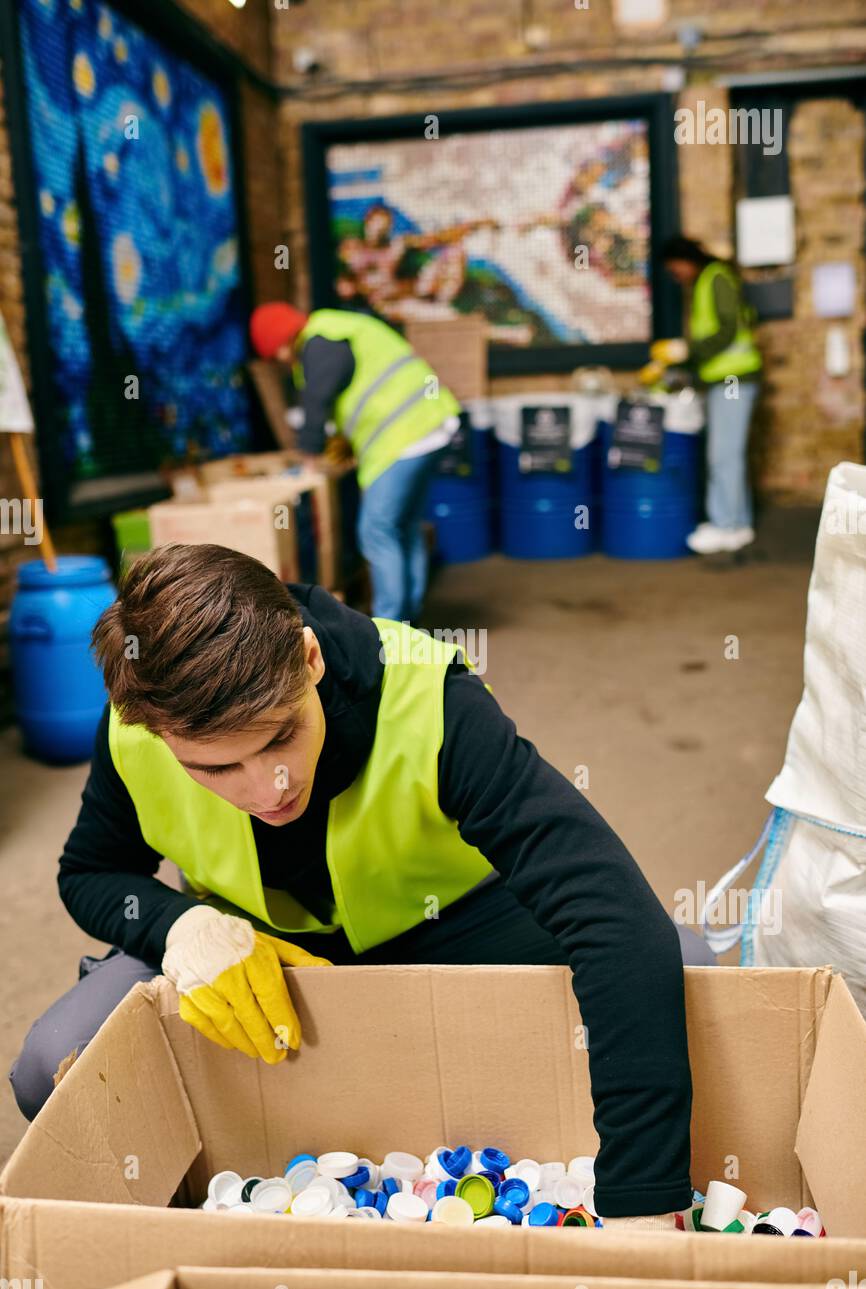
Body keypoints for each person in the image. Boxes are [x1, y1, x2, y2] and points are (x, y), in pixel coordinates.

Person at [10, 545, 714, 1229]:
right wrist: (179, 926)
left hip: (450, 924)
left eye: (279, 737)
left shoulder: (432, 699)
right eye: (216, 769)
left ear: (310, 658)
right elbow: (92, 872)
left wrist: (639, 1199)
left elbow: (611, 917)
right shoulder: (141, 721)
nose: (268, 790)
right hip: (253, 943)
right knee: (53, 1063)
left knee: (681, 967)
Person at [249, 301, 460, 622]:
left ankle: (388, 629)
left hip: (404, 436)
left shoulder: (320, 341)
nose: (281, 360)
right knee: (405, 526)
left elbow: (317, 400)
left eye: (276, 354)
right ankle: (409, 620)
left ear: (280, 343)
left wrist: (308, 459)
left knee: (377, 530)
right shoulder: (338, 328)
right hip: (430, 422)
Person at [656, 236, 762, 555]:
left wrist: (688, 351)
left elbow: (728, 329)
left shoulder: (716, 278)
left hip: (733, 378)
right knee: (728, 454)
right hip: (725, 378)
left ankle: (726, 526)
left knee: (723, 454)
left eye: (675, 269)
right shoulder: (708, 280)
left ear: (686, 260)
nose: (676, 276)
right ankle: (737, 523)